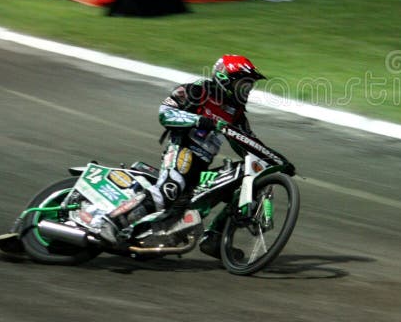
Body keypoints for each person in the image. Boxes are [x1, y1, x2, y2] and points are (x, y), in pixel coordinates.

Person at [110, 54, 292, 256]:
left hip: (202, 166)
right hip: (182, 150)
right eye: (243, 85)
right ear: (225, 80)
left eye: (248, 87)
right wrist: (198, 120)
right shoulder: (198, 91)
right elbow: (165, 112)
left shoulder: (236, 113)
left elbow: (248, 143)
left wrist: (277, 161)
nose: (247, 91)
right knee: (170, 190)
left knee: (245, 177)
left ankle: (215, 237)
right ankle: (111, 222)